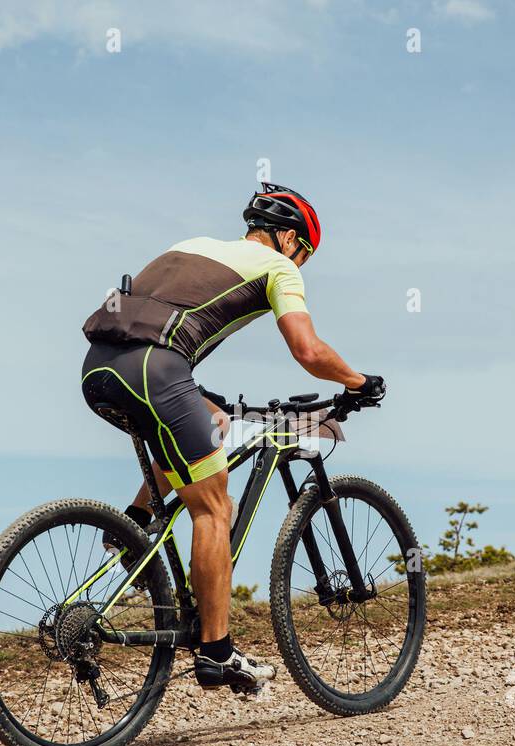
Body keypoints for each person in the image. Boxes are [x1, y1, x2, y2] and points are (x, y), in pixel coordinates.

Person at [80, 183, 385, 692]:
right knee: (214, 508)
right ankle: (217, 652)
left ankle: (134, 527)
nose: (301, 266)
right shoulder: (277, 267)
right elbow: (308, 351)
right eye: (305, 255)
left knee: (208, 421)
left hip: (98, 370)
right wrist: (358, 382)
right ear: (289, 238)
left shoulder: (189, 245)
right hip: (158, 369)